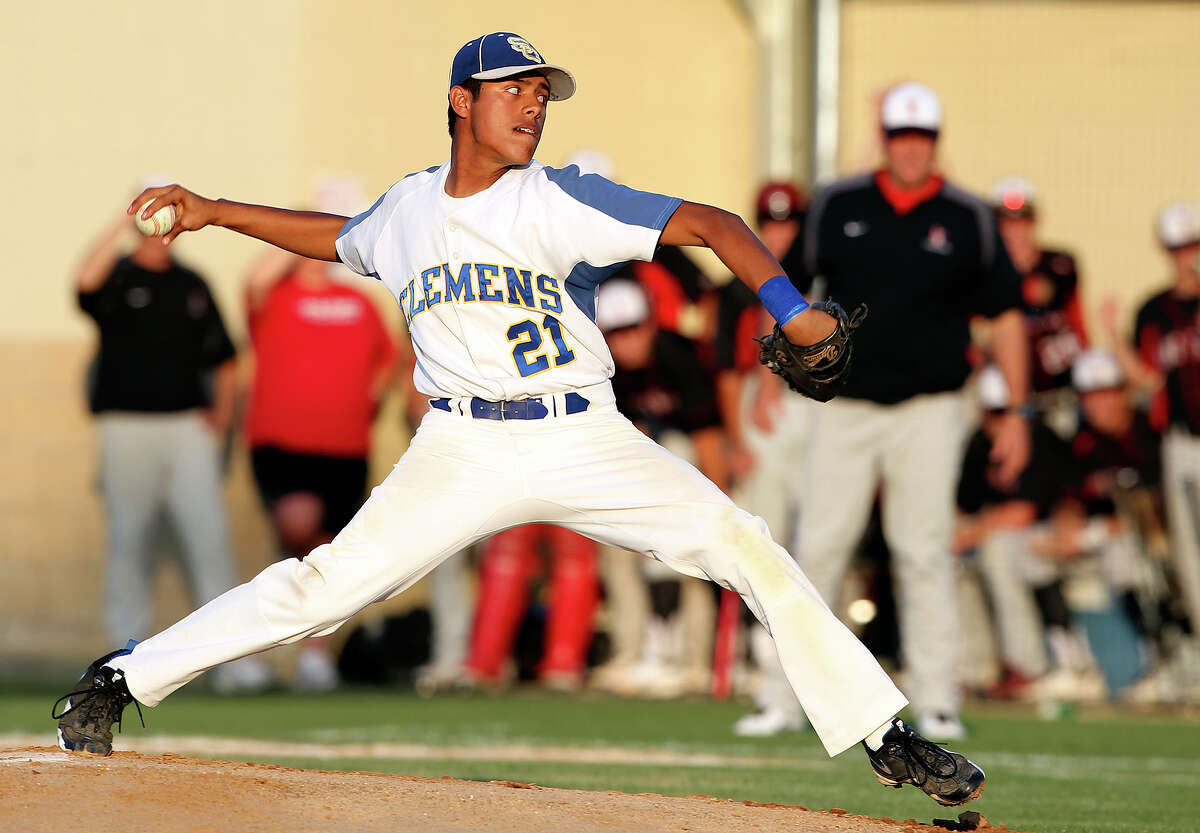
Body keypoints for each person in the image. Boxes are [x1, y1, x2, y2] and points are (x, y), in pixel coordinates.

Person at [53, 33, 984, 807]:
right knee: (323, 589)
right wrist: (212, 211)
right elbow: (334, 236)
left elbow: (711, 223)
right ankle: (123, 677)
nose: (534, 108)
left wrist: (786, 304)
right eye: (515, 91)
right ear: (462, 101)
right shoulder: (409, 209)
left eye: (542, 94)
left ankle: (884, 733)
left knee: (743, 541)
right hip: (461, 445)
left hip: (583, 435)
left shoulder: (559, 199)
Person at [789, 82, 1031, 741]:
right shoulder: (837, 204)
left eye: (922, 138)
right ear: (885, 138)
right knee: (819, 543)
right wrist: (765, 380)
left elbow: (1006, 315)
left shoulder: (969, 216)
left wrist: (1015, 409)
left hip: (932, 406)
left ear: (936, 141)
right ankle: (786, 695)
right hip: (842, 403)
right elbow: (785, 287)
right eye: (901, 136)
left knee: (922, 549)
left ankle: (937, 697)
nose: (912, 149)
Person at [74, 199, 271, 695]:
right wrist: (122, 218)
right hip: (125, 428)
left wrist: (221, 416)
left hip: (188, 429)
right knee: (129, 544)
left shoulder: (192, 284)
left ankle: (231, 663)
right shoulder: (116, 277)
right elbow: (84, 282)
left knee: (209, 543)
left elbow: (224, 356)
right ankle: (121, 662)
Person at [243, 247, 398, 690]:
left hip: (346, 445)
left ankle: (311, 654)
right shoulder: (275, 296)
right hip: (284, 443)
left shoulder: (359, 302)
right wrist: (293, 236)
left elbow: (386, 359)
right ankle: (263, 645)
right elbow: (254, 281)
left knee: (326, 551)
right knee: (298, 529)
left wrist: (370, 396)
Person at [589, 278, 722, 698]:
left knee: (690, 559)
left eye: (634, 329)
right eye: (617, 334)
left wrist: (716, 503)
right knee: (614, 548)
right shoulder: (599, 367)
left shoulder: (678, 356)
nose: (628, 342)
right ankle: (635, 652)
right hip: (633, 474)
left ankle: (693, 659)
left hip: (689, 473)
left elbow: (707, 436)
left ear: (649, 324)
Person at [1125, 203, 1200, 687]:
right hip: (1182, 440)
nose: (1185, 257)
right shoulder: (1155, 311)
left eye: (1191, 246)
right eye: (1177, 249)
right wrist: (1114, 340)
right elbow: (1147, 380)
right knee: (1190, 554)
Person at [990, 177, 1087, 438]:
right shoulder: (984, 272)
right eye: (1006, 222)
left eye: (1022, 220)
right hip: (1003, 398)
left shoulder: (1060, 264)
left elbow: (1042, 294)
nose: (1014, 230)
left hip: (1058, 390)